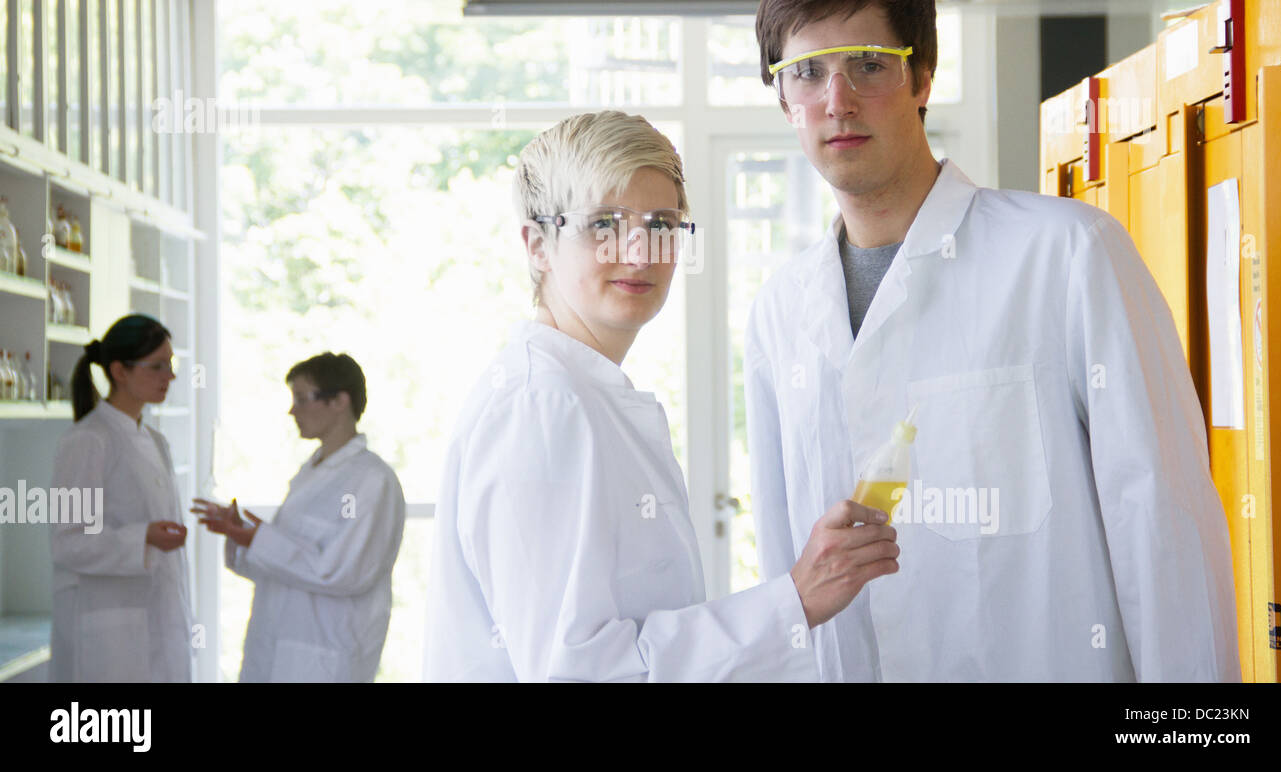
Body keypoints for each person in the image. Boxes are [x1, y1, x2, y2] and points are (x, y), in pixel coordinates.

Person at [744, 0, 1241, 681]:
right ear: (784, 98)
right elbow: (789, 561)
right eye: (807, 72)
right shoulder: (780, 312)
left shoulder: (1069, 255)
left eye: (869, 65)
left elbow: (1161, 525)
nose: (837, 100)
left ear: (923, 79)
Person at [424, 110, 901, 682]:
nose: (640, 248)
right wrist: (794, 601)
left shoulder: (585, 395)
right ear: (537, 245)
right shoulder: (541, 406)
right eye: (603, 222)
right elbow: (578, 672)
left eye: (661, 223)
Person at [192, 352, 404, 682]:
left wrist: (259, 538)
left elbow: (340, 571)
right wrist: (242, 536)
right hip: (279, 645)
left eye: (302, 399)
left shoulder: (372, 480)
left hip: (324, 656)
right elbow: (285, 565)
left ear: (339, 401)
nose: (293, 410)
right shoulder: (311, 473)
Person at [49, 314, 192, 682]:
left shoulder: (155, 442)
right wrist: (141, 537)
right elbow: (67, 543)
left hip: (157, 621)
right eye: (158, 366)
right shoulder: (87, 441)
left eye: (171, 365)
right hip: (108, 640)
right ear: (120, 371)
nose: (170, 376)